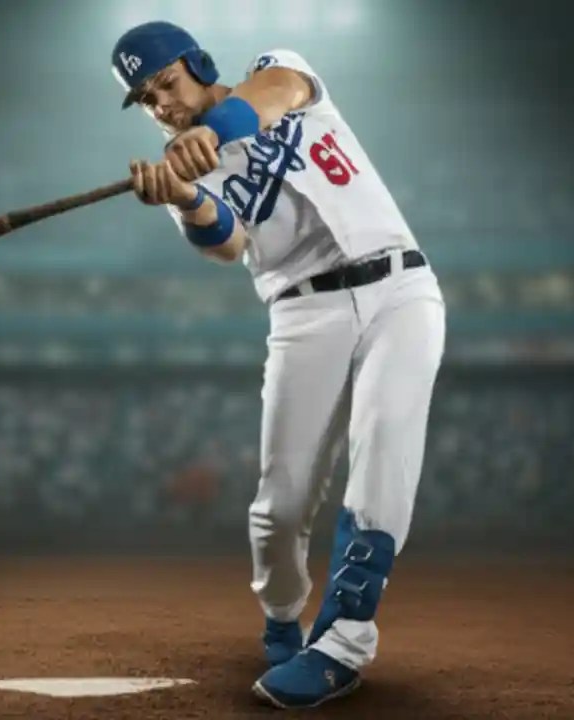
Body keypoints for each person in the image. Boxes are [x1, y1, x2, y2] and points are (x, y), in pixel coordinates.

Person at [111, 20, 447, 709]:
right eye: (146, 99)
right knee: (282, 503)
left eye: (167, 83)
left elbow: (280, 91)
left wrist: (216, 131)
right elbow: (226, 242)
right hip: (303, 313)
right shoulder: (187, 167)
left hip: (401, 288)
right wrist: (180, 194)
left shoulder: (277, 67)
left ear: (198, 63)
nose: (162, 105)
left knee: (383, 448)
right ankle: (283, 620)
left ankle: (345, 642)